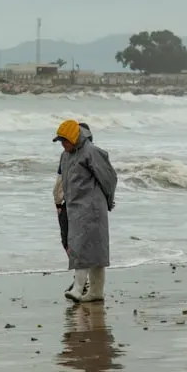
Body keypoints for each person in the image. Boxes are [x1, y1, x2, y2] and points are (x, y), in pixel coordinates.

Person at [53, 119, 117, 303]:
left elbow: (109, 179)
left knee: (81, 247)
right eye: (60, 141)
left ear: (74, 138)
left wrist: (108, 201)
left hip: (93, 207)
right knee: (92, 250)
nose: (62, 144)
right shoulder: (65, 156)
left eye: (64, 141)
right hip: (74, 207)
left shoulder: (92, 152)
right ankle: (96, 292)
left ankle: (78, 288)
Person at [53, 122, 92, 254]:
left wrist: (58, 204)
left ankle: (78, 268)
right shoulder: (67, 156)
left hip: (69, 205)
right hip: (68, 204)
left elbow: (59, 183)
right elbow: (60, 182)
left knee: (70, 241)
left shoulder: (85, 155)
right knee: (70, 242)